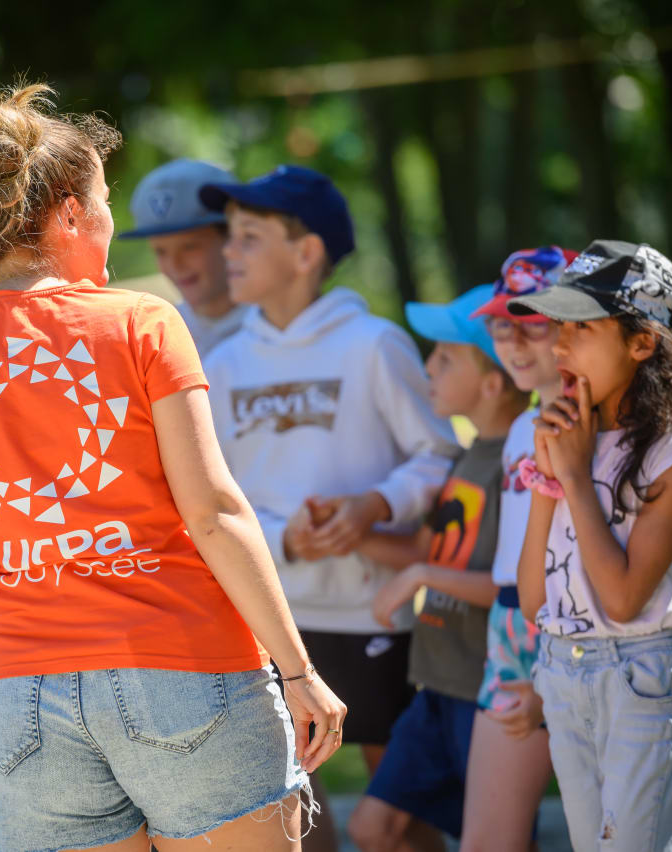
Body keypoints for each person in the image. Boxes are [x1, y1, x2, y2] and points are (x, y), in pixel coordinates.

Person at [0, 82, 347, 852]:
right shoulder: (143, 323)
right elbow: (214, 513)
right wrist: (297, 670)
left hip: (19, 696)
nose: (111, 220)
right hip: (184, 668)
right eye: (104, 200)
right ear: (68, 214)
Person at [198, 164, 460, 852]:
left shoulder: (375, 345)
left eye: (249, 238)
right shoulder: (220, 366)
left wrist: (375, 505)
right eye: (229, 236)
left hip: (377, 616)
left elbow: (439, 458)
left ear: (306, 252)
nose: (229, 252)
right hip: (269, 621)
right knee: (293, 815)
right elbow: (210, 493)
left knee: (397, 822)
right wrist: (283, 539)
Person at [509, 240, 672, 851]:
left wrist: (576, 478)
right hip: (563, 670)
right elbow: (533, 601)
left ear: (643, 343)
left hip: (641, 681)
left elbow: (623, 599)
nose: (558, 346)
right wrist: (547, 478)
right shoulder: (574, 434)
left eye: (582, 328)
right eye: (558, 326)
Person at [347, 285, 533, 851]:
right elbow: (429, 552)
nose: (429, 366)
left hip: (489, 687)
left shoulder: (519, 467)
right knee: (372, 827)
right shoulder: (464, 457)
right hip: (437, 687)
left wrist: (423, 578)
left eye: (445, 357)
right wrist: (347, 533)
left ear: (493, 383)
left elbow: (517, 589)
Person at [459, 246, 574, 850]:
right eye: (504, 328)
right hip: (510, 630)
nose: (515, 346)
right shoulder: (525, 426)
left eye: (535, 327)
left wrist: (544, 674)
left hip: (561, 639)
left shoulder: (587, 425)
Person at [119, 159, 248, 357]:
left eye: (190, 247)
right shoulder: (155, 335)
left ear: (233, 237)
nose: (174, 265)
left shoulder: (278, 325)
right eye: (160, 251)